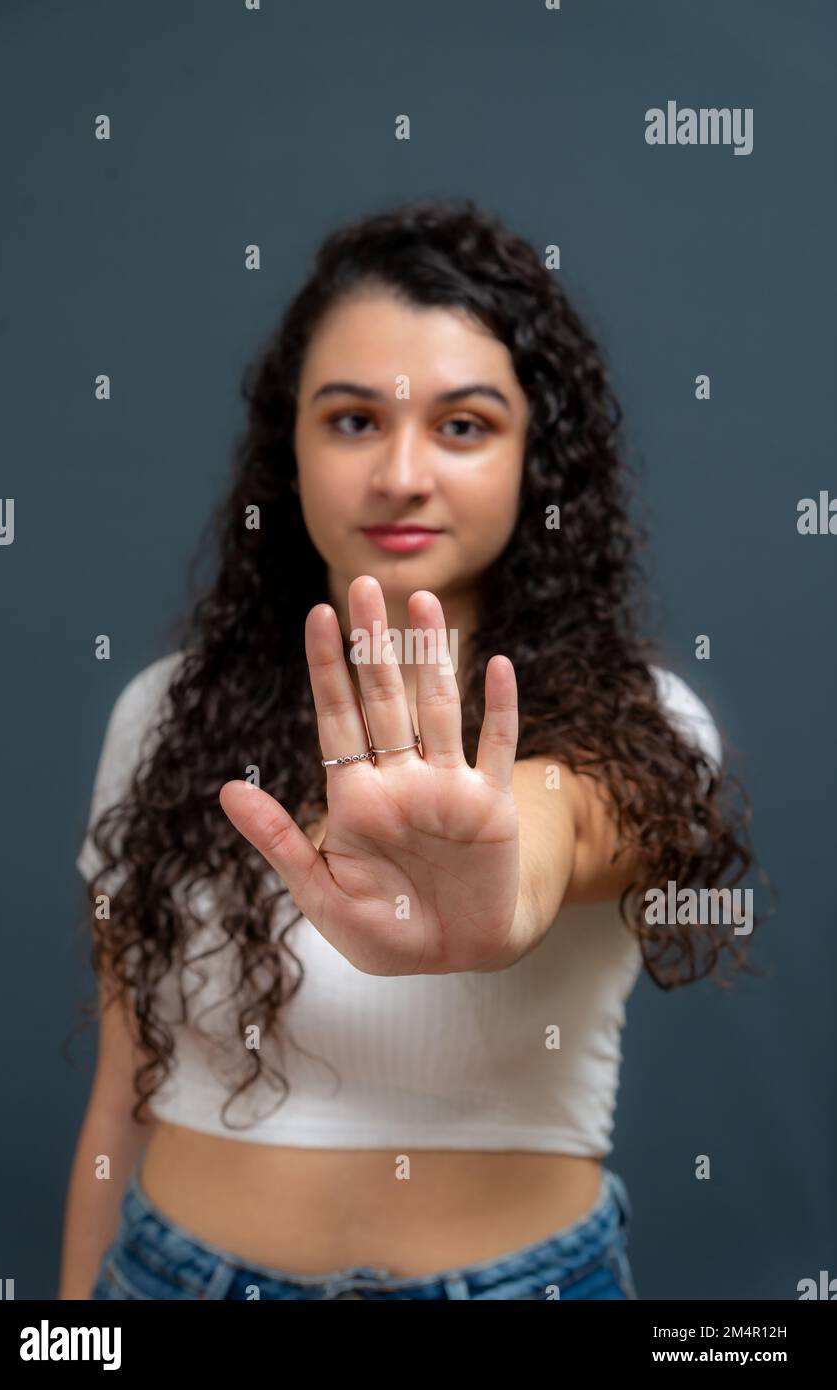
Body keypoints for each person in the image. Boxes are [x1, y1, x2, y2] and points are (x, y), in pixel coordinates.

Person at [59, 198, 758, 1301]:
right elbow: (119, 1095)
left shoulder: (652, 723)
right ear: (287, 448)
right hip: (170, 1279)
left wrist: (495, 886)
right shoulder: (161, 716)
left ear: (540, 459)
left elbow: (557, 818)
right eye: (351, 420)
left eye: (465, 424)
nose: (401, 474)